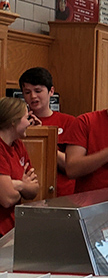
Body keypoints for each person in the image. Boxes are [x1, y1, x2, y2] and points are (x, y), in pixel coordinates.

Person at [19, 66, 76, 197]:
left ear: (51, 91)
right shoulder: (18, 124)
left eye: (38, 91)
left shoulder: (69, 122)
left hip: (62, 195)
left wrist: (43, 139)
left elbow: (72, 166)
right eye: (27, 92)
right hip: (30, 194)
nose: (33, 96)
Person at [0, 97, 40, 235]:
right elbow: (7, 198)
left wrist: (17, 184)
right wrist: (23, 185)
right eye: (26, 117)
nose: (29, 122)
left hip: (13, 229)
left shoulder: (18, 145)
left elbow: (34, 189)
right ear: (13, 121)